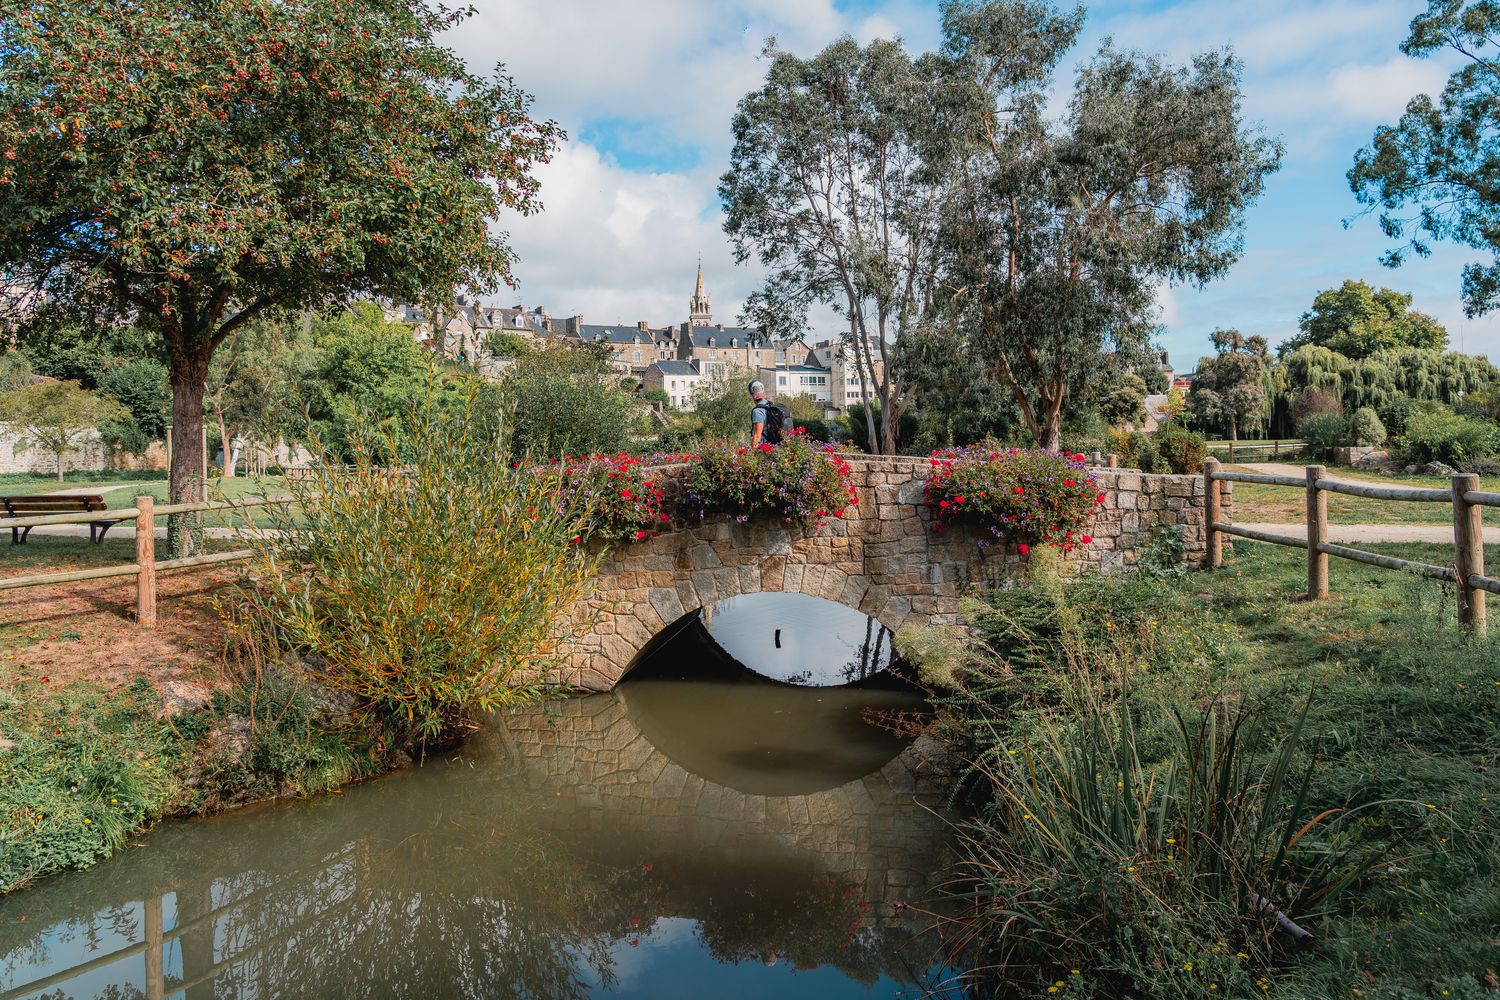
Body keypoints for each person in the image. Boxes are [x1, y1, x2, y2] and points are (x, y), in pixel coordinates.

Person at [747, 379, 786, 447]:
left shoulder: (758, 411)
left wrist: (751, 454)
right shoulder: (770, 405)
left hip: (764, 448)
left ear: (751, 394)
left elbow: (757, 437)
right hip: (775, 446)